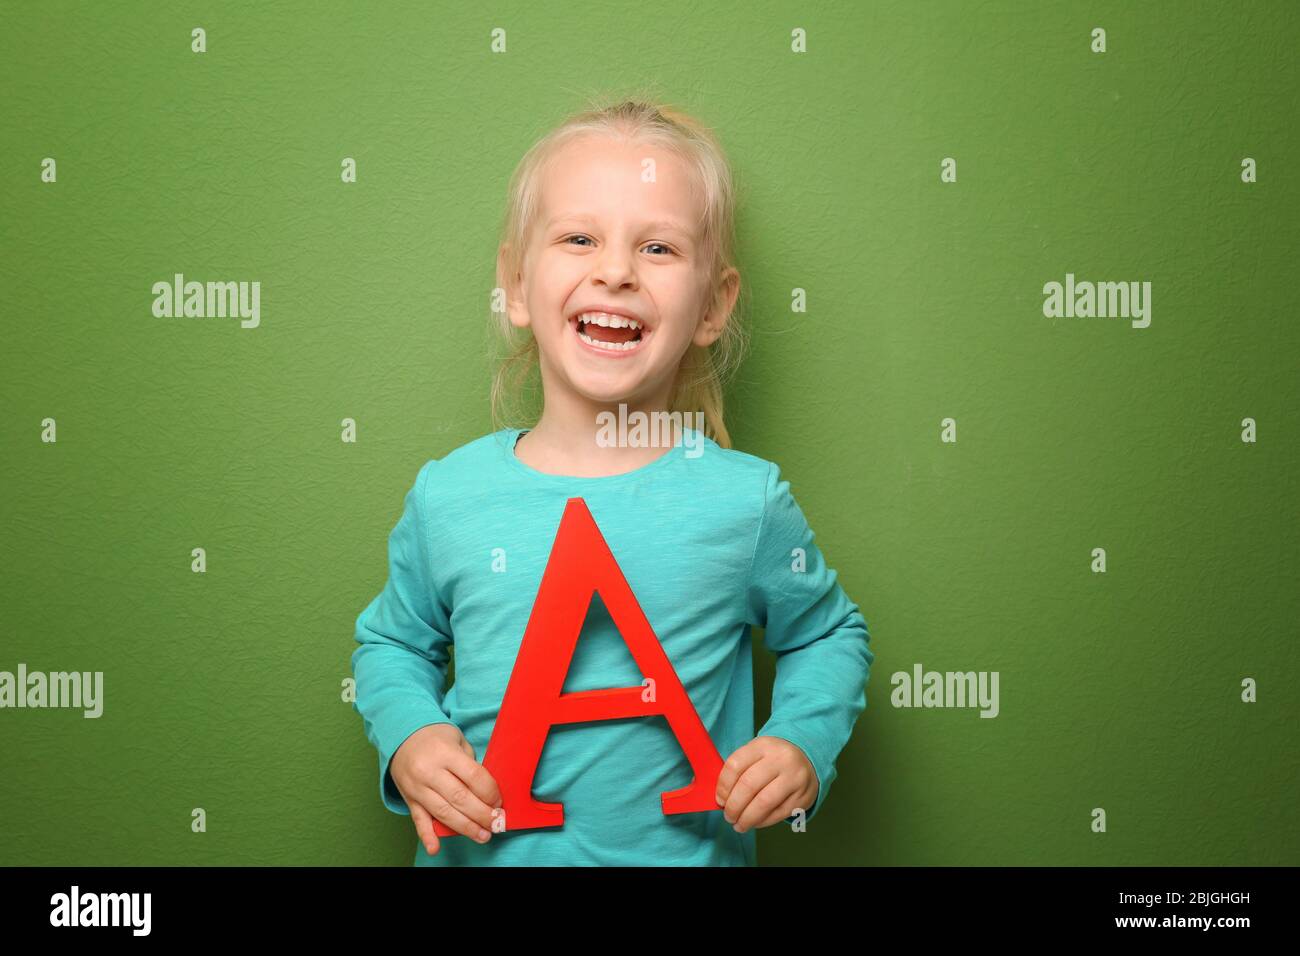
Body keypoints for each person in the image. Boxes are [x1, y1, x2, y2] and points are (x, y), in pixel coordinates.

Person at [351, 98, 873, 865]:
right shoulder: (449, 496)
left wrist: (800, 741)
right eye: (578, 238)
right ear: (517, 285)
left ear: (713, 305)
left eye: (658, 248)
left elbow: (830, 634)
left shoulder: (747, 504)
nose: (616, 271)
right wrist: (410, 736)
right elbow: (393, 643)